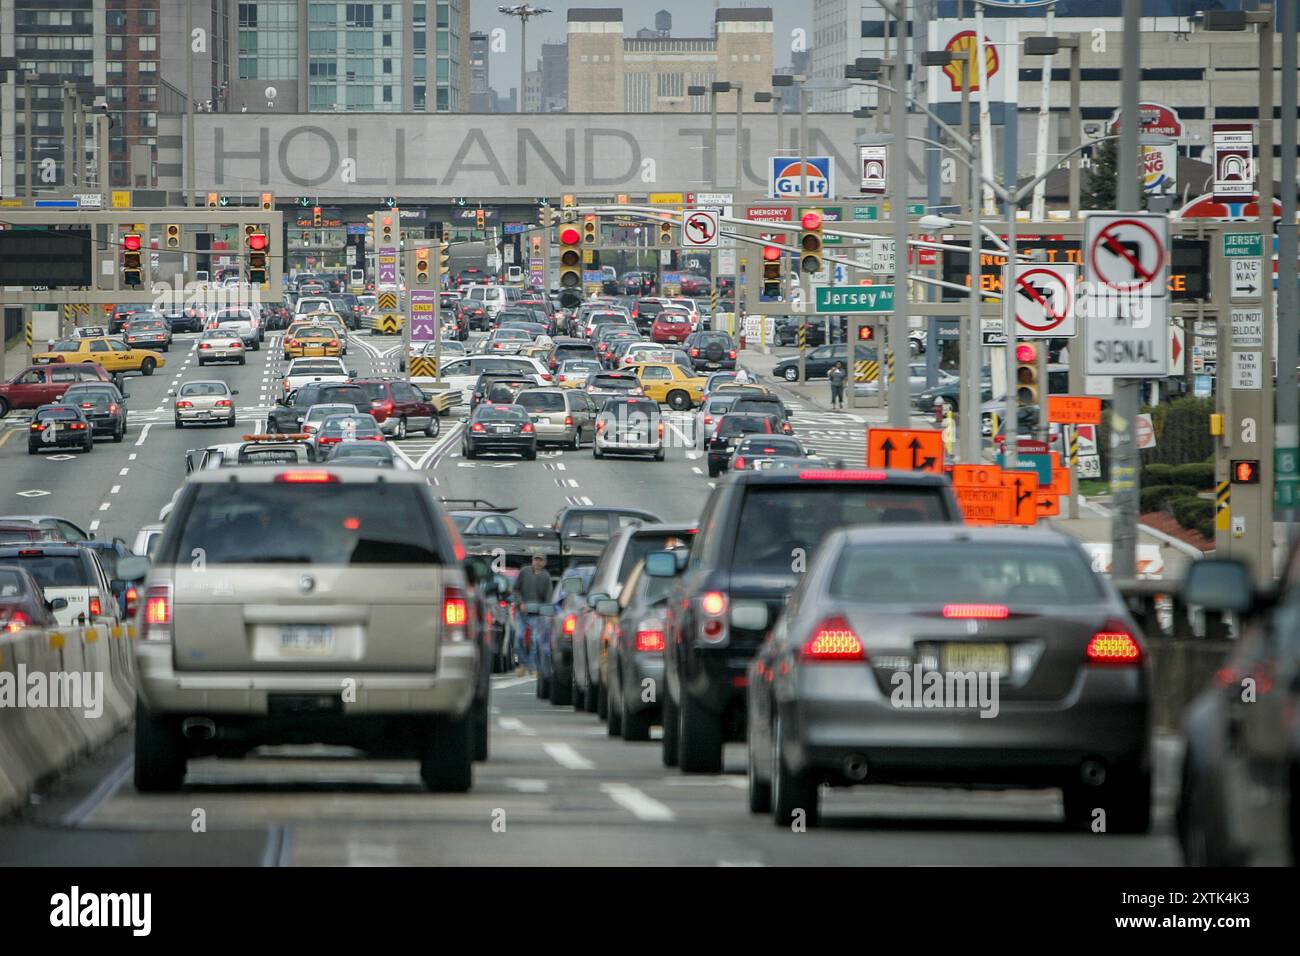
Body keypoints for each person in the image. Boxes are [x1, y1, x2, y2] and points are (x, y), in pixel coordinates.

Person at [511, 553, 552, 676]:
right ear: (532, 561)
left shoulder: (546, 577)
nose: (537, 563)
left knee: (535, 640)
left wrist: (544, 611)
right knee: (518, 638)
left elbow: (548, 598)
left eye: (540, 560)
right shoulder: (524, 571)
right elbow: (515, 590)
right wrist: (520, 603)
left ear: (544, 563)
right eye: (536, 560)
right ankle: (523, 663)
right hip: (522, 613)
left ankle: (533, 667)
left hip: (537, 615)